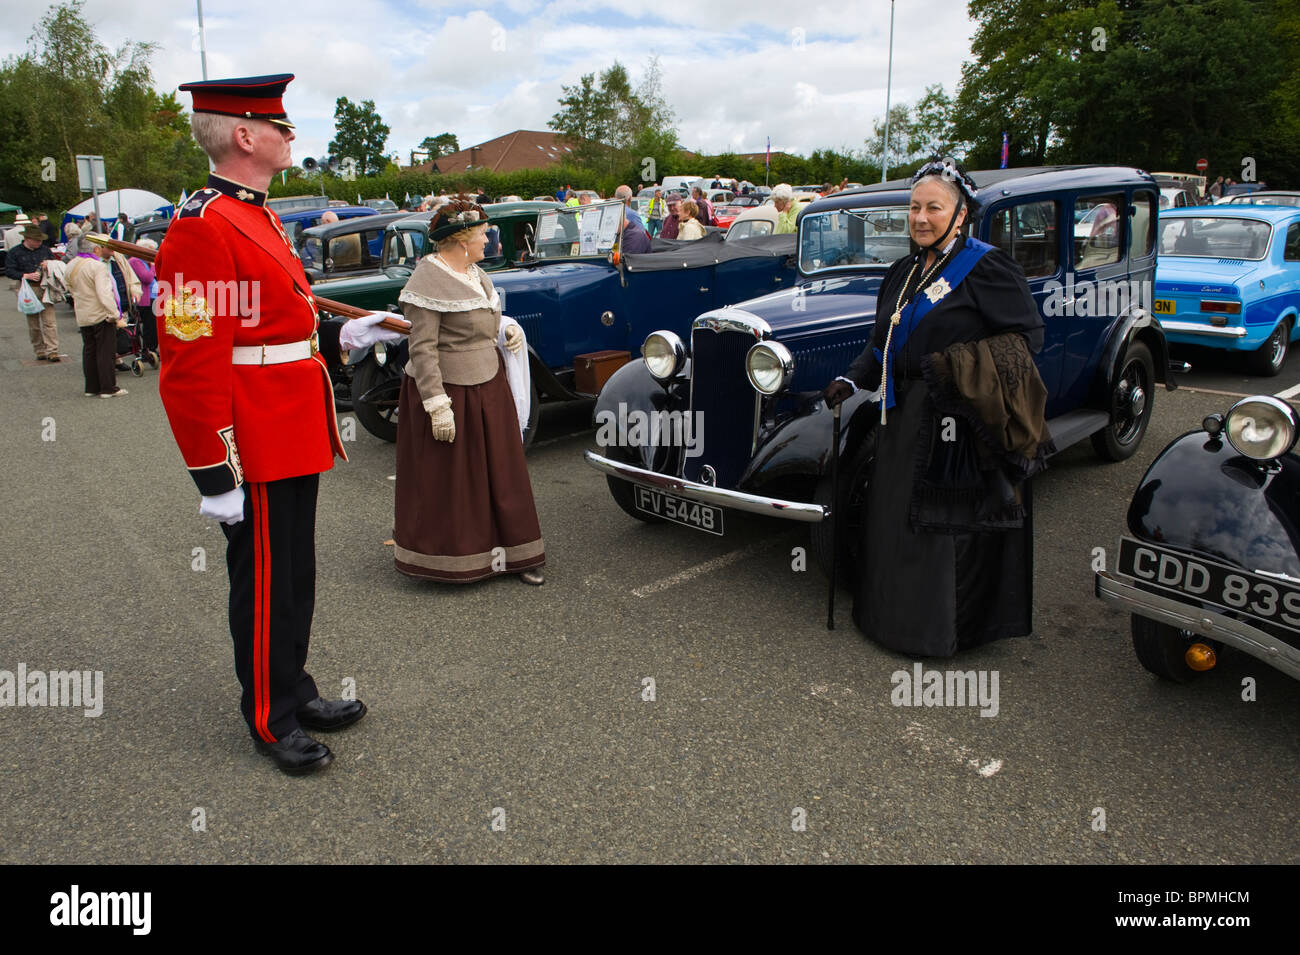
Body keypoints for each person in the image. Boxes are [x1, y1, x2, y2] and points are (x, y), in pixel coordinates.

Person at [154, 74, 367, 776]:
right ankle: (269, 717)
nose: (290, 135)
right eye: (278, 125)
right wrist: (215, 471)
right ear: (244, 135)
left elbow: (278, 323)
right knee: (266, 579)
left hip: (292, 418)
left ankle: (294, 688)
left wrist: (342, 340)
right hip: (254, 437)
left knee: (295, 570)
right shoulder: (200, 226)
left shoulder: (256, 214)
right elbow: (190, 362)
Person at [821, 159, 1051, 657]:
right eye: (914, 207)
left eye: (933, 208)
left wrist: (956, 366)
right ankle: (888, 620)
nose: (921, 217)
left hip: (957, 420)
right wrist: (851, 378)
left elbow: (1026, 341)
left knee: (943, 527)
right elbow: (882, 342)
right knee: (897, 521)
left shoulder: (987, 266)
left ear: (960, 213)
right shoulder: (903, 270)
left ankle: (939, 633)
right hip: (902, 417)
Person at [392, 197, 546, 585]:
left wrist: (506, 329)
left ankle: (517, 554)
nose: (487, 240)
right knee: (456, 481)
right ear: (461, 240)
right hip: (450, 391)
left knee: (502, 471)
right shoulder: (427, 281)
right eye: (482, 234)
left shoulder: (476, 273)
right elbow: (423, 348)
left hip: (489, 384)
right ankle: (453, 560)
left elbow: (481, 318)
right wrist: (436, 404)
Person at [67, 235, 126, 395]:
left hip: (83, 313)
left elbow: (69, 288)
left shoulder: (71, 265)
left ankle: (91, 387)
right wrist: (115, 314)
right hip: (101, 313)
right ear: (95, 248)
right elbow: (104, 293)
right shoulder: (97, 266)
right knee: (105, 352)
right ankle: (108, 387)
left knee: (89, 350)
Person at [5, 223, 61, 361]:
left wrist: (48, 266)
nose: (40, 242)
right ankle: (39, 349)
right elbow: (9, 270)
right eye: (37, 240)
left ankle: (52, 350)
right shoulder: (15, 252)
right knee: (33, 324)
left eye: (40, 240)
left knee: (50, 321)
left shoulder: (45, 250)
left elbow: (55, 264)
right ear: (27, 238)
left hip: (44, 288)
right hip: (27, 289)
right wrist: (25, 275)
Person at [128, 238, 158, 363]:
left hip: (154, 297)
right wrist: (152, 266)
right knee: (149, 326)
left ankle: (151, 348)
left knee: (153, 325)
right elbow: (147, 278)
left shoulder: (144, 262)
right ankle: (148, 350)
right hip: (146, 299)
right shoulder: (135, 261)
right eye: (150, 251)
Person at [614, 185, 652, 253]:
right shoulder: (633, 214)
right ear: (630, 198)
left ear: (615, 197)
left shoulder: (611, 212)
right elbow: (642, 236)